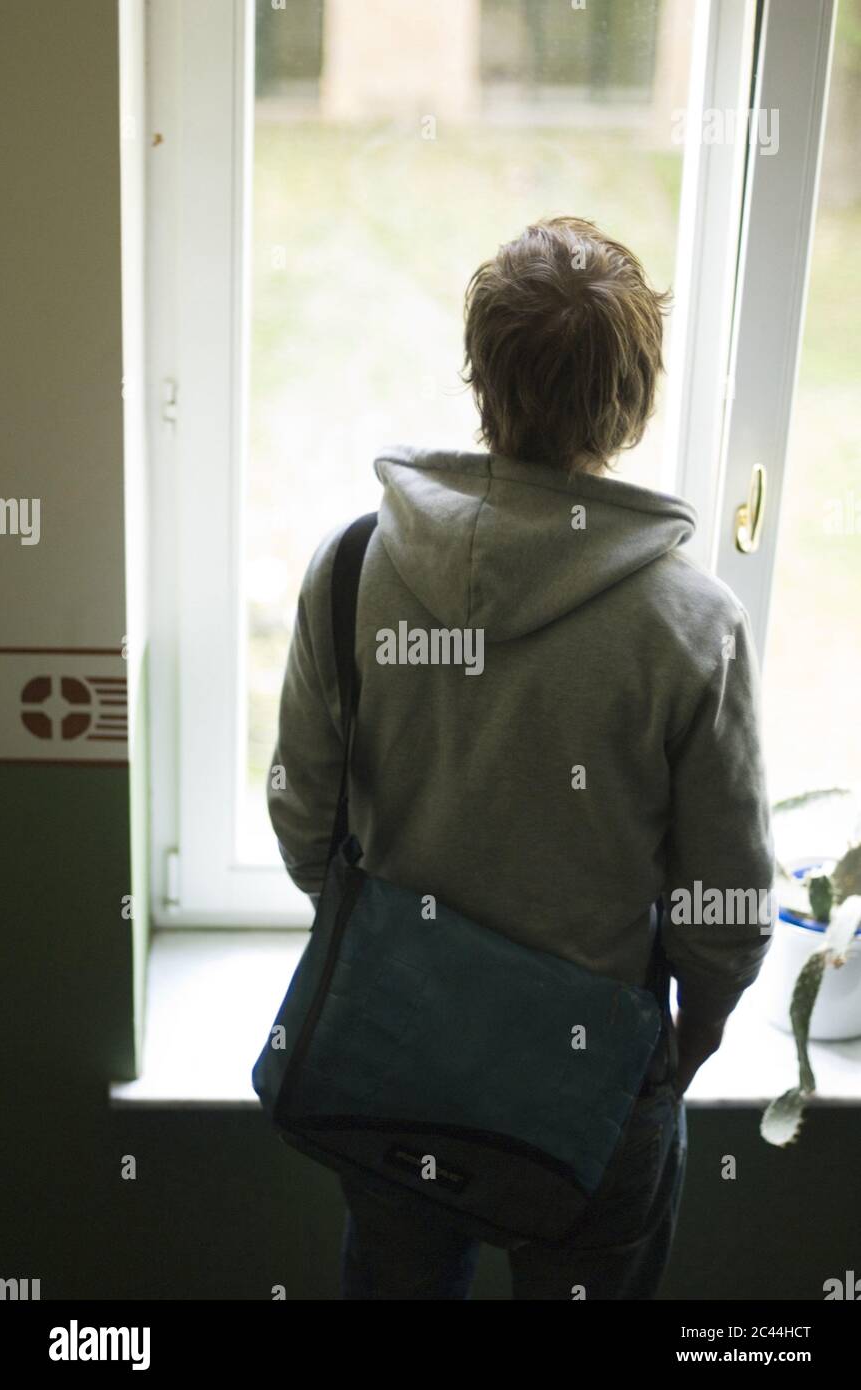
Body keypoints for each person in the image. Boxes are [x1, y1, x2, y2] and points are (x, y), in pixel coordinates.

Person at [267, 216, 775, 1299]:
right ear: (632, 404)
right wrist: (700, 1029)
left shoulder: (355, 565)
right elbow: (723, 897)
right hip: (591, 1082)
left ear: (478, 376)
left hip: (395, 1058)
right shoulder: (692, 626)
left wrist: (386, 946)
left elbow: (303, 813)